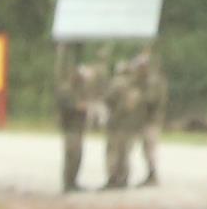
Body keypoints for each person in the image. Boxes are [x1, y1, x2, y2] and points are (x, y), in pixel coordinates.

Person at [116, 46, 168, 186]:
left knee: (149, 148)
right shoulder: (139, 80)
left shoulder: (154, 82)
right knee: (134, 148)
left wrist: (138, 97)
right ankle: (125, 175)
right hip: (139, 119)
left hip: (151, 120)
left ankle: (152, 174)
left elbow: (152, 100)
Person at [60, 50, 110, 193]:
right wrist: (79, 107)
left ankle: (74, 181)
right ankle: (68, 182)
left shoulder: (79, 90)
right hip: (70, 128)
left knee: (78, 157)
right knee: (71, 156)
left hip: (78, 128)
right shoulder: (67, 90)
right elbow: (66, 106)